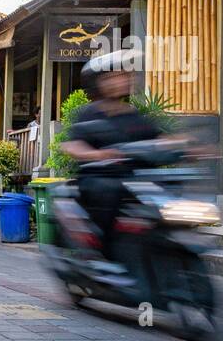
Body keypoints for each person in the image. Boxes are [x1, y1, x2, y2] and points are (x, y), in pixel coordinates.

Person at [60, 55, 161, 249]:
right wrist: (97, 154)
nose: (122, 80)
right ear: (100, 83)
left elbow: (157, 137)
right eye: (114, 76)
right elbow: (71, 145)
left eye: (124, 75)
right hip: (99, 179)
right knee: (108, 191)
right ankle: (103, 248)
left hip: (132, 179)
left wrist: (186, 144)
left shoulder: (134, 115)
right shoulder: (88, 113)